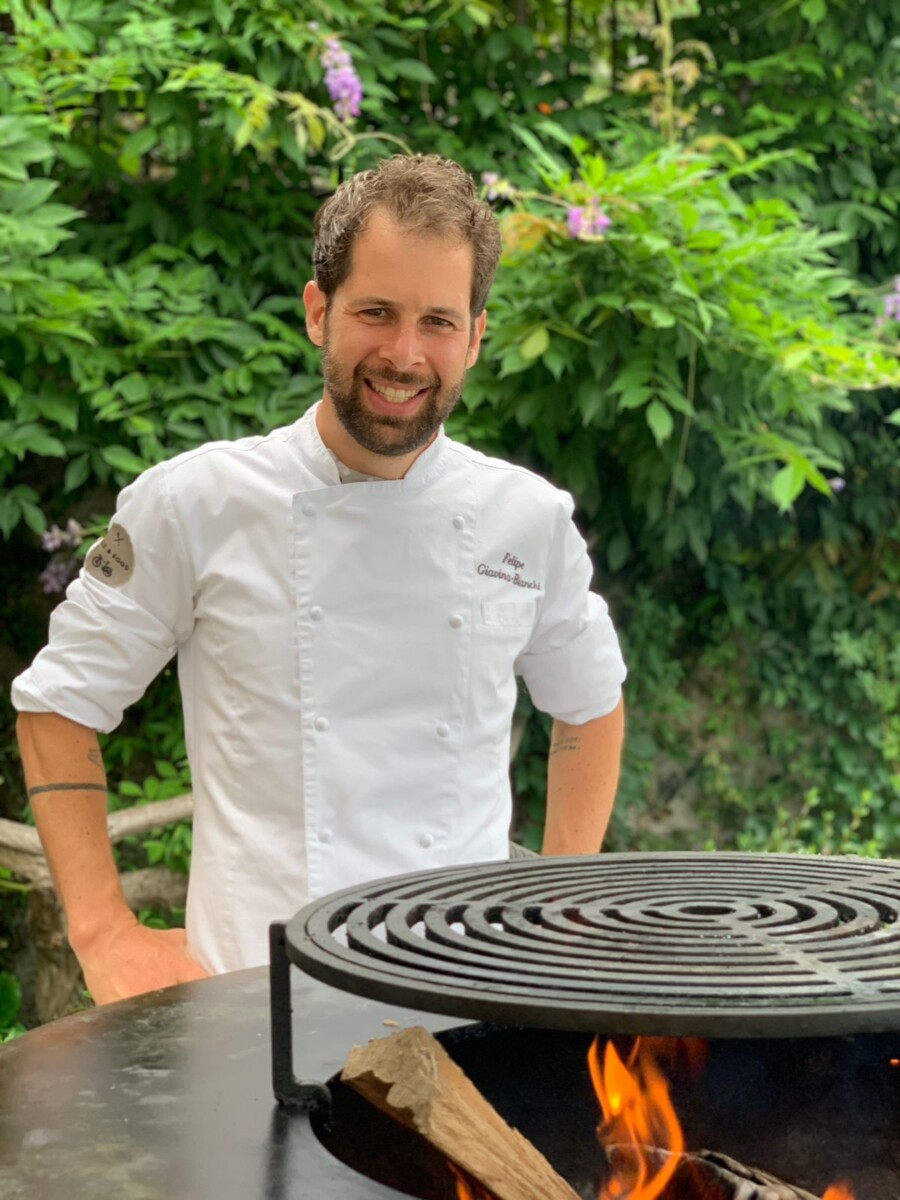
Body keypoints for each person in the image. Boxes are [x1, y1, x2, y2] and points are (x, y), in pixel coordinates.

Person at [13, 155, 627, 1006]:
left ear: (477, 336)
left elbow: (589, 702)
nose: (406, 354)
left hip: (469, 992)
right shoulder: (196, 503)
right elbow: (59, 702)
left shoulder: (526, 517)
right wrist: (104, 932)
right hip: (250, 1001)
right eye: (376, 312)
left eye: (438, 322)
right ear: (318, 312)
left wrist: (556, 907)